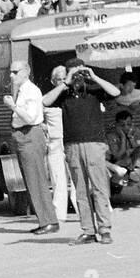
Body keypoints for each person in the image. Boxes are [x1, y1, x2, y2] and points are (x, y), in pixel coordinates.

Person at [44, 57, 120, 244]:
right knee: (80, 190)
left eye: (80, 72)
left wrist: (94, 77)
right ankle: (88, 230)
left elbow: (115, 92)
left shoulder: (94, 90)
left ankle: (105, 229)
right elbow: (45, 101)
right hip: (72, 145)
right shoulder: (64, 93)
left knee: (99, 188)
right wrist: (65, 82)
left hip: (94, 143)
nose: (78, 77)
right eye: (74, 72)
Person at [4, 60, 58, 232]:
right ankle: (44, 219)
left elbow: (30, 117)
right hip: (23, 135)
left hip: (30, 134)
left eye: (15, 72)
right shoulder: (22, 91)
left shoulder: (31, 91)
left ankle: (48, 220)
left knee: (36, 179)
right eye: (11, 72)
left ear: (25, 72)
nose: (11, 75)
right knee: (30, 179)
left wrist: (13, 106)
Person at [43, 65, 77, 224]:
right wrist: (46, 128)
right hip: (56, 142)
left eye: (65, 78)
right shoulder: (49, 98)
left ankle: (82, 210)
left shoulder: (73, 96)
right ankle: (59, 214)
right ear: (52, 81)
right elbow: (37, 117)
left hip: (72, 140)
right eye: (60, 80)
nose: (64, 82)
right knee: (58, 178)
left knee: (77, 177)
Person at [105, 109, 140, 190]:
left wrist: (131, 138)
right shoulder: (111, 136)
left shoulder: (137, 133)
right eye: (122, 125)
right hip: (117, 169)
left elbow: (139, 149)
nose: (126, 127)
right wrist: (123, 138)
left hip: (133, 167)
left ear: (132, 124)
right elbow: (117, 156)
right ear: (116, 125)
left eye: (129, 124)